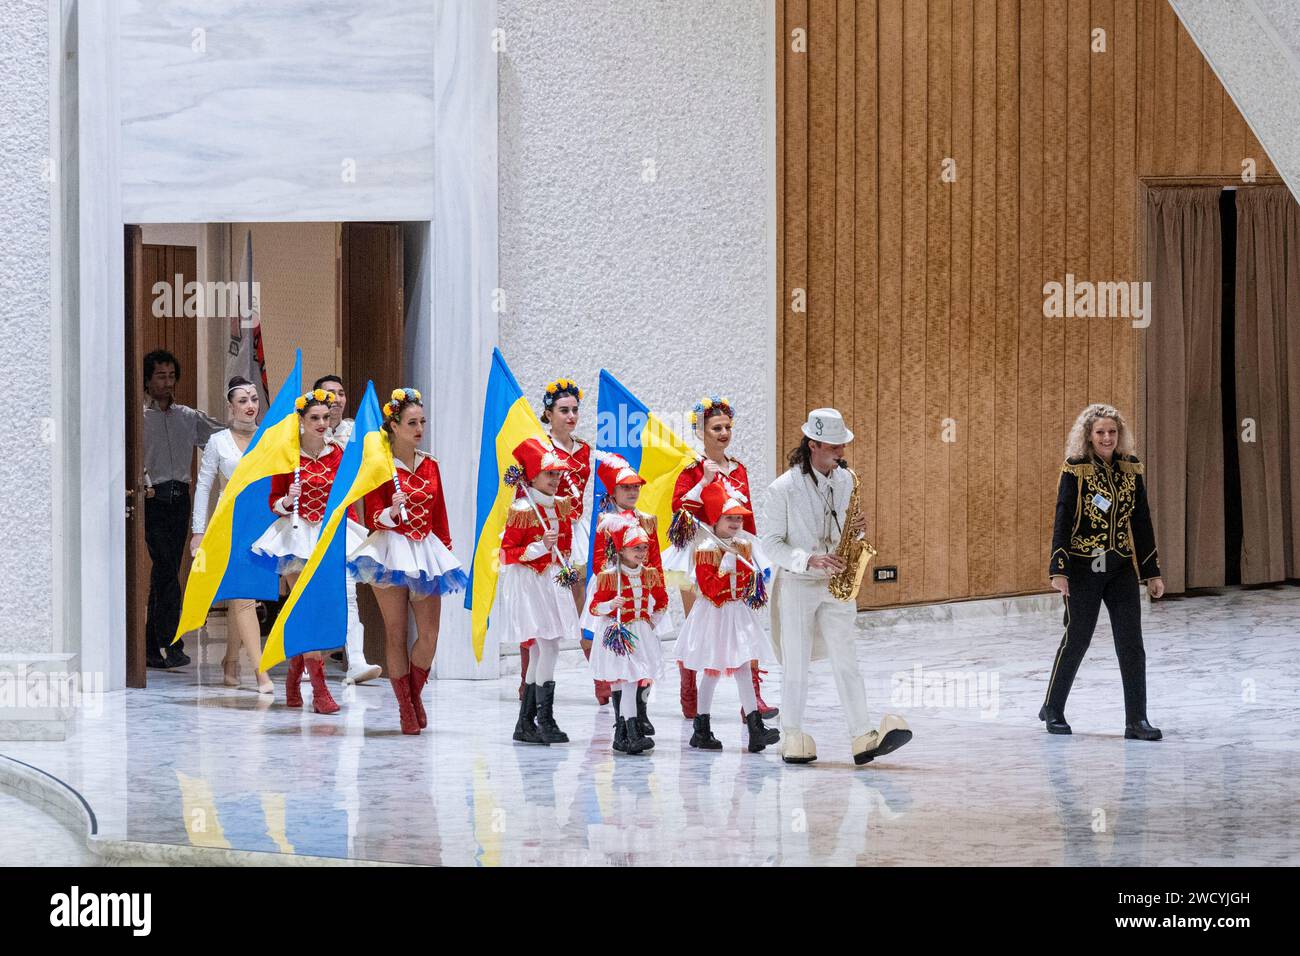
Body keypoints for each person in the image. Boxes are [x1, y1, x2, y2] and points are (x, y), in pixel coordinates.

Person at [762, 408, 912, 765]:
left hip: (837, 583)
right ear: (813, 444)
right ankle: (792, 733)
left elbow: (850, 529)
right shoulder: (782, 488)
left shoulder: (846, 479)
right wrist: (808, 560)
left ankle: (861, 734)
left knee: (848, 660)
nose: (842, 451)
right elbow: (770, 543)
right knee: (795, 662)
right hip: (799, 583)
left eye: (843, 444)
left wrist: (857, 530)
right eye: (834, 445)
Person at [1041, 403, 1165, 740]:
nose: (1107, 437)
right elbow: (1063, 519)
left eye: (1112, 432)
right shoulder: (1075, 470)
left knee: (1131, 643)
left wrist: (1152, 572)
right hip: (1084, 566)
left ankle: (1136, 720)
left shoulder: (1131, 469)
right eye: (1100, 433)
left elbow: (1142, 522)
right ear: (1089, 436)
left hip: (1121, 566)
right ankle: (1053, 708)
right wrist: (1059, 570)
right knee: (1078, 637)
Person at [352, 388, 467, 735]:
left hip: (426, 551)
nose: (419, 429)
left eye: (422, 422)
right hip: (389, 550)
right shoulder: (380, 465)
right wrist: (391, 510)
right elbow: (371, 515)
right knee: (395, 632)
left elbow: (440, 513)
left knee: (429, 636)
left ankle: (414, 694)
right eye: (412, 423)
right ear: (394, 425)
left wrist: (444, 549)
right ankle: (405, 707)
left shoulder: (430, 464)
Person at [670, 395, 777, 722]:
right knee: (697, 625)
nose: (723, 432)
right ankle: (689, 688)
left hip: (737, 550)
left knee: (744, 621)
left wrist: (755, 554)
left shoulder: (739, 468)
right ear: (701, 431)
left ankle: (753, 699)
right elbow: (680, 515)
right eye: (716, 427)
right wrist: (703, 483)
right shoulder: (691, 470)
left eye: (727, 426)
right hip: (702, 552)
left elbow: (746, 516)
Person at [253, 387, 346, 715]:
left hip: (324, 538)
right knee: (306, 607)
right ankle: (320, 690)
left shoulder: (338, 454)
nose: (322, 423)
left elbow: (346, 496)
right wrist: (287, 500)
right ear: (302, 422)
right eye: (315, 418)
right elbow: (273, 501)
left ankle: (294, 672)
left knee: (316, 609)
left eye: (325, 417)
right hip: (294, 537)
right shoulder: (288, 456)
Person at [670, 480, 778, 753]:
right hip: (715, 615)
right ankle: (702, 728)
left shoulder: (742, 546)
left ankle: (755, 730)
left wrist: (745, 571)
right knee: (712, 671)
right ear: (716, 520)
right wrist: (726, 567)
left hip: (737, 614)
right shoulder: (707, 549)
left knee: (743, 667)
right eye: (729, 518)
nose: (735, 523)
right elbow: (711, 590)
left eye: (739, 519)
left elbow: (744, 585)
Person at [518, 379, 604, 702]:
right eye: (563, 410)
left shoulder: (584, 449)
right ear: (548, 413)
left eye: (574, 410)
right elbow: (524, 491)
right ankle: (527, 683)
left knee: (583, 603)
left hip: (574, 532)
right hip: (544, 530)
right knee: (537, 607)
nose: (570, 416)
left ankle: (599, 676)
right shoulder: (539, 447)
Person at [190, 377, 274, 694]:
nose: (250, 405)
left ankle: (230, 660)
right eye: (243, 400)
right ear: (231, 406)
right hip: (231, 522)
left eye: (254, 399)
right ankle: (261, 671)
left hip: (263, 521)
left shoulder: (268, 438)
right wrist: (198, 531)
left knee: (247, 592)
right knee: (243, 595)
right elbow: (203, 487)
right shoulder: (218, 442)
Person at [142, 349, 224, 669]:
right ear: (147, 381)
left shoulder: (188, 417)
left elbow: (224, 438)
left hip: (180, 499)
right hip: (153, 499)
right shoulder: (139, 417)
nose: (167, 382)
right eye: (160, 376)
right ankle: (170, 641)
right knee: (165, 570)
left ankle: (156, 645)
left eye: (171, 376)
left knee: (168, 572)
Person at [500, 437, 581, 746]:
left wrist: (563, 561)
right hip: (530, 580)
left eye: (558, 474)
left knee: (542, 649)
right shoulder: (522, 508)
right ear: (532, 476)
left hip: (552, 578)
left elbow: (566, 544)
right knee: (546, 646)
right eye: (549, 474)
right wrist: (538, 547)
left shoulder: (560, 505)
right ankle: (542, 720)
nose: (555, 480)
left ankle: (527, 721)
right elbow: (509, 551)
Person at [587, 452, 667, 735]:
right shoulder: (606, 521)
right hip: (616, 590)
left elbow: (654, 557)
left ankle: (640, 713)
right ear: (613, 490)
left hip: (643, 592)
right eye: (626, 487)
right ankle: (624, 718)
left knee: (645, 656)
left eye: (636, 487)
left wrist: (657, 591)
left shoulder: (646, 520)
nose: (633, 492)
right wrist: (620, 574)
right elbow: (598, 561)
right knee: (623, 658)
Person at [313, 373, 381, 686]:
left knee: (349, 591)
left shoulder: (356, 431)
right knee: (310, 594)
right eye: (329, 393)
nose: (337, 398)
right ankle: (306, 661)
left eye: (341, 393)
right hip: (309, 525)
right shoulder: (306, 434)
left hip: (345, 522)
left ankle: (357, 659)